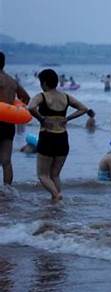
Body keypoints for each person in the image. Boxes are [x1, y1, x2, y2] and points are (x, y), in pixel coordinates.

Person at [28, 69, 88, 200]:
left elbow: (30, 107)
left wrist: (41, 119)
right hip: (62, 137)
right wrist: (67, 118)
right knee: (55, 175)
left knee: (42, 175)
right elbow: (84, 108)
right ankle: (56, 202)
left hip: (47, 137)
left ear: (44, 83)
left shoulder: (42, 96)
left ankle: (56, 195)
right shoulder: (65, 97)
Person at [0, 51, 30, 185]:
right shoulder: (12, 81)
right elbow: (26, 97)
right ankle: (7, 190)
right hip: (8, 124)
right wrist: (15, 108)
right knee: (6, 161)